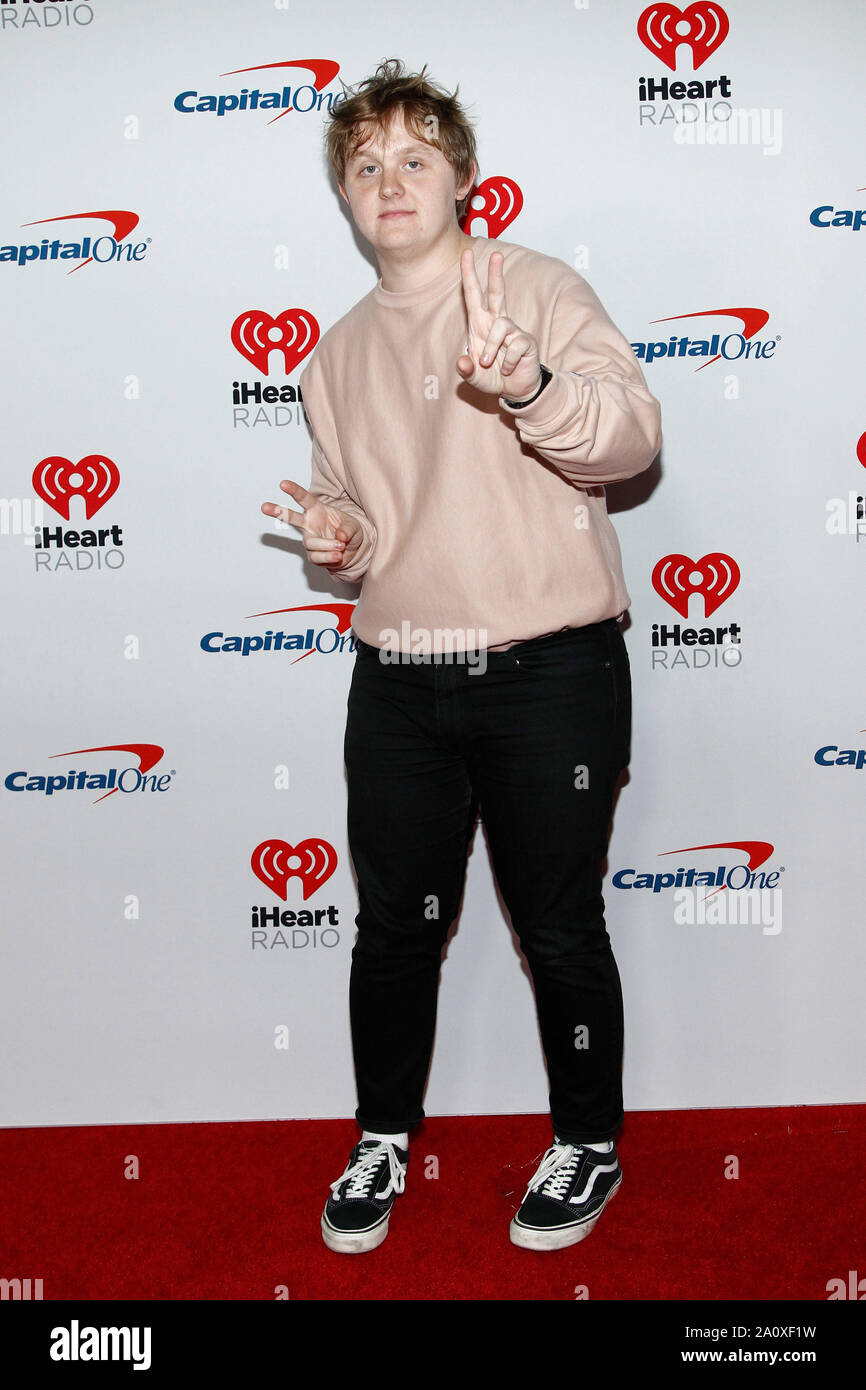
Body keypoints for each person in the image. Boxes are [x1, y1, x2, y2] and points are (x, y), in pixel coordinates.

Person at [261, 58, 662, 1255]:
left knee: (557, 921)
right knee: (393, 926)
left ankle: (586, 1142)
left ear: (460, 182)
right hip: (397, 680)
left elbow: (631, 439)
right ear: (345, 196)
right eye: (365, 164)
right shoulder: (328, 358)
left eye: (413, 158)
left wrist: (528, 381)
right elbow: (366, 519)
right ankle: (382, 1132)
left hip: (549, 669)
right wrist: (339, 539)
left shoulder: (529, 287)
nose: (389, 180)